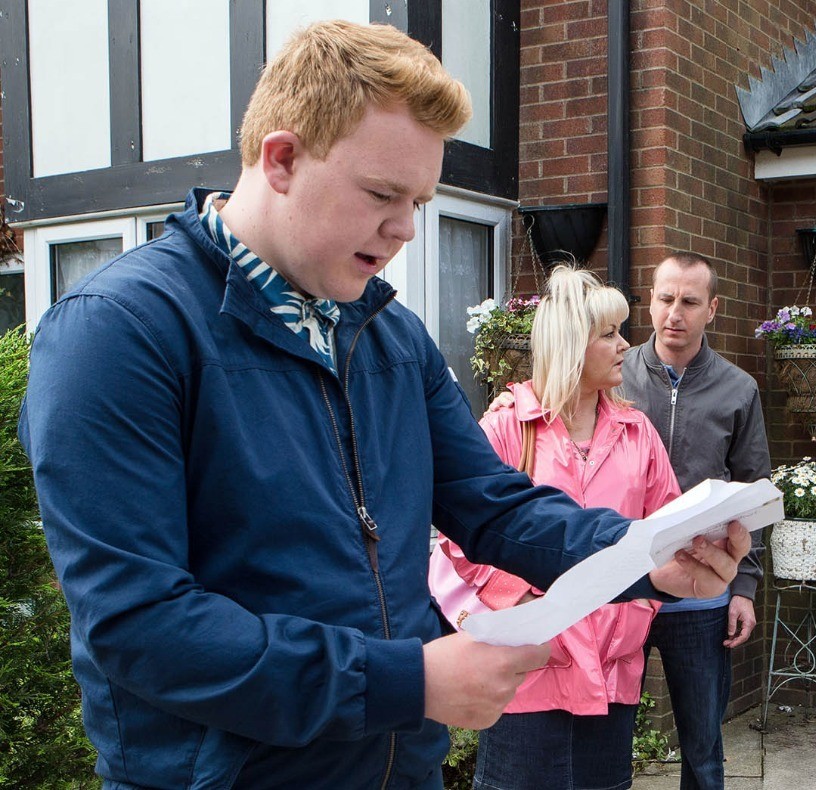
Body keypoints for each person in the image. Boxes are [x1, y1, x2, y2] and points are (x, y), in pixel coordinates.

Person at [18, 21, 747, 789]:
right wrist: (412, 684)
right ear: (282, 158)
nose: (404, 228)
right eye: (382, 194)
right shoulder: (121, 332)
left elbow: (494, 507)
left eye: (420, 201)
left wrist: (648, 555)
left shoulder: (390, 333)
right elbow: (141, 626)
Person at [429, 266, 682, 790]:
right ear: (571, 344)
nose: (624, 345)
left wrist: (639, 610)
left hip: (613, 672)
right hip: (529, 669)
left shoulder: (638, 434)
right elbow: (457, 535)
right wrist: (516, 602)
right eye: (609, 334)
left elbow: (668, 532)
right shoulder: (506, 427)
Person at [625, 252, 771, 790]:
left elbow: (754, 496)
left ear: (713, 308)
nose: (674, 314)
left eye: (689, 302)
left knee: (703, 751)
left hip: (703, 594)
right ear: (651, 300)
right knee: (608, 741)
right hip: (626, 586)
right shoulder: (615, 378)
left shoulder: (739, 389)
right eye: (665, 299)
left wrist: (746, 587)